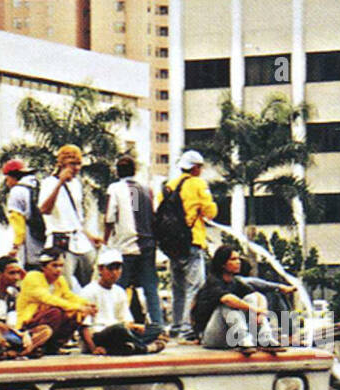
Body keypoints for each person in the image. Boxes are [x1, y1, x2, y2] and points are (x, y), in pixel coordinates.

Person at [104, 154, 164, 342]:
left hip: (126, 246)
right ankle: (158, 327)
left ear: (117, 171)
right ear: (134, 170)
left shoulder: (115, 188)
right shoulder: (144, 189)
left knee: (118, 287)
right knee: (150, 288)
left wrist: (106, 243)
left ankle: (113, 326)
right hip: (147, 245)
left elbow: (109, 218)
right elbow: (142, 215)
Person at [192, 245, 295, 352]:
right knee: (227, 303)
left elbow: (258, 295)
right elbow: (227, 299)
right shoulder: (213, 282)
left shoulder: (235, 282)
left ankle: (265, 338)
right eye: (233, 259)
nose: (238, 262)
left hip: (230, 337)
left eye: (238, 259)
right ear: (222, 264)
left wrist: (261, 311)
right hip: (213, 337)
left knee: (251, 298)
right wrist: (254, 309)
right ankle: (243, 339)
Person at [164, 150, 219, 342]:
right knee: (195, 287)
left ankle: (177, 326)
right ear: (196, 167)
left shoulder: (170, 186)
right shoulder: (198, 184)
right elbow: (210, 211)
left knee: (178, 289)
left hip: (171, 245)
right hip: (192, 241)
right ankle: (188, 331)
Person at [39, 144, 98, 287]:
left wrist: (89, 235)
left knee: (91, 282)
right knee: (65, 285)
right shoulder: (49, 183)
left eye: (78, 164)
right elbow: (44, 209)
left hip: (80, 240)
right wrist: (59, 183)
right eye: (72, 164)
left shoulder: (77, 185)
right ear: (62, 164)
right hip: (61, 240)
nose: (76, 168)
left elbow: (76, 217)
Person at [15, 249, 95, 355]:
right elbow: (49, 299)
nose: (58, 270)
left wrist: (87, 305)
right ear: (44, 267)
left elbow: (69, 296)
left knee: (77, 314)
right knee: (56, 312)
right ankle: (37, 344)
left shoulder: (60, 280)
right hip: (28, 322)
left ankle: (54, 346)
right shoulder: (32, 277)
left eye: (61, 266)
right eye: (54, 266)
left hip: (49, 320)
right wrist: (78, 307)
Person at [78, 248, 154, 356]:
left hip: (119, 333)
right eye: (110, 269)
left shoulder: (119, 291)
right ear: (101, 269)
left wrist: (137, 327)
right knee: (119, 329)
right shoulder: (88, 291)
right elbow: (84, 326)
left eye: (117, 268)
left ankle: (130, 348)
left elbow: (126, 321)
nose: (114, 273)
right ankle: (144, 347)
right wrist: (93, 348)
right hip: (98, 334)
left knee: (156, 329)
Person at [2, 158, 44, 268]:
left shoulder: (16, 191)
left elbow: (18, 222)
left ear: (12, 177)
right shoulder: (39, 186)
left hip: (29, 245)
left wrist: (15, 246)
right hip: (45, 240)